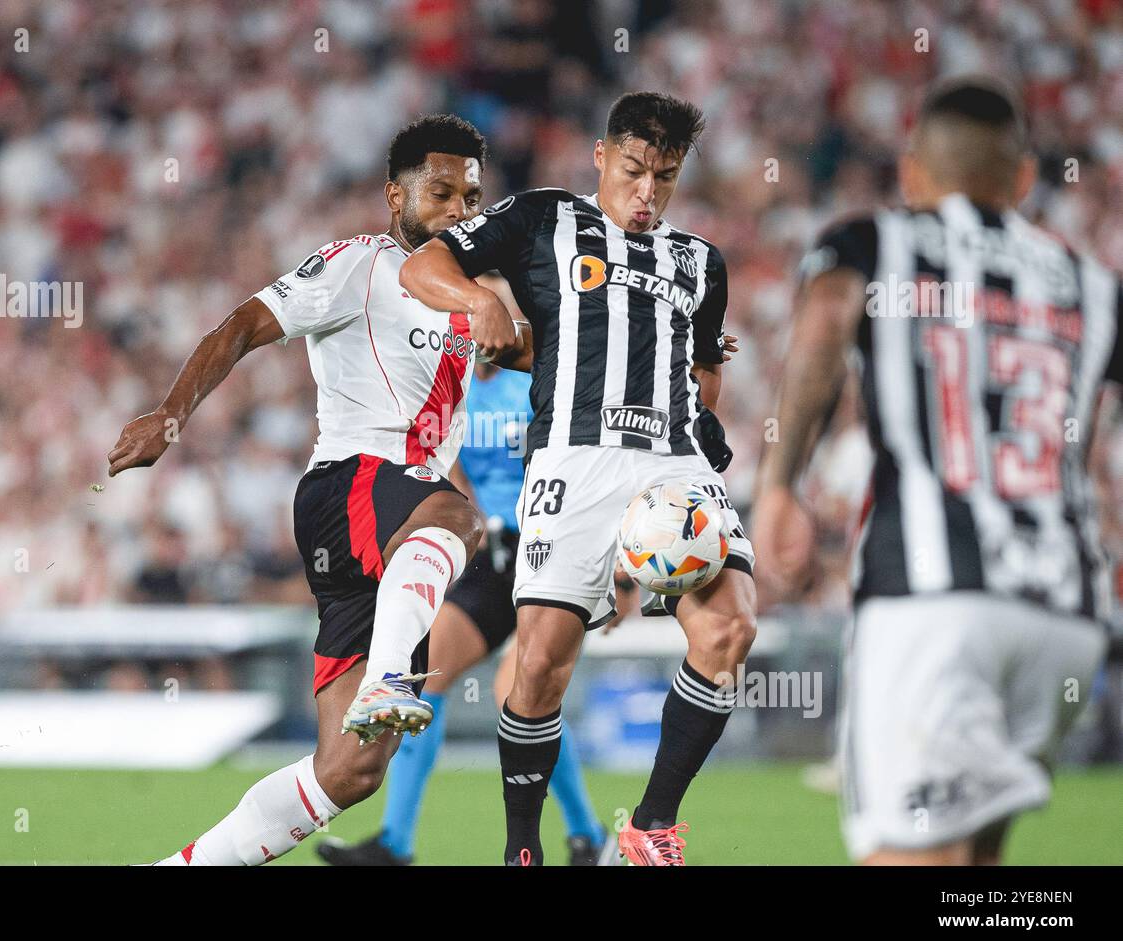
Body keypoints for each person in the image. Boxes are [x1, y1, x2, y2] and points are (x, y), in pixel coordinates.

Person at [107, 114, 517, 865]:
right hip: (354, 485)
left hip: (390, 544)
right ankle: (393, 674)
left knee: (352, 768)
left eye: (472, 196)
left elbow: (545, 354)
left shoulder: (474, 291)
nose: (460, 208)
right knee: (463, 519)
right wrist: (170, 415)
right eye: (442, 191)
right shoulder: (358, 263)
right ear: (395, 194)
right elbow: (240, 326)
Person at [751, 77, 1120, 865]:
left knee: (913, 857)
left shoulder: (877, 240)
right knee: (977, 867)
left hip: (933, 603)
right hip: (1064, 611)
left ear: (913, 173)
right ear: (1022, 180)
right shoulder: (1094, 286)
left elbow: (823, 315)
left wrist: (780, 482)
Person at [398, 91, 755, 865]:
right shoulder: (541, 217)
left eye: (665, 176)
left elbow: (703, 376)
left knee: (730, 628)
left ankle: (652, 824)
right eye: (633, 171)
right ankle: (523, 845)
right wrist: (472, 303)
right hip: (573, 458)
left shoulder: (701, 262)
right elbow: (424, 263)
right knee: (537, 667)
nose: (647, 192)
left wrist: (698, 418)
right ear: (602, 156)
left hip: (675, 463)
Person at [315, 359, 619, 866]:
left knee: (519, 694)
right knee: (423, 678)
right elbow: (437, 455)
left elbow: (585, 460)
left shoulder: (540, 382)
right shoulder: (450, 385)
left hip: (547, 554)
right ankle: (395, 842)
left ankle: (589, 837)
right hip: (489, 560)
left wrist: (618, 575)